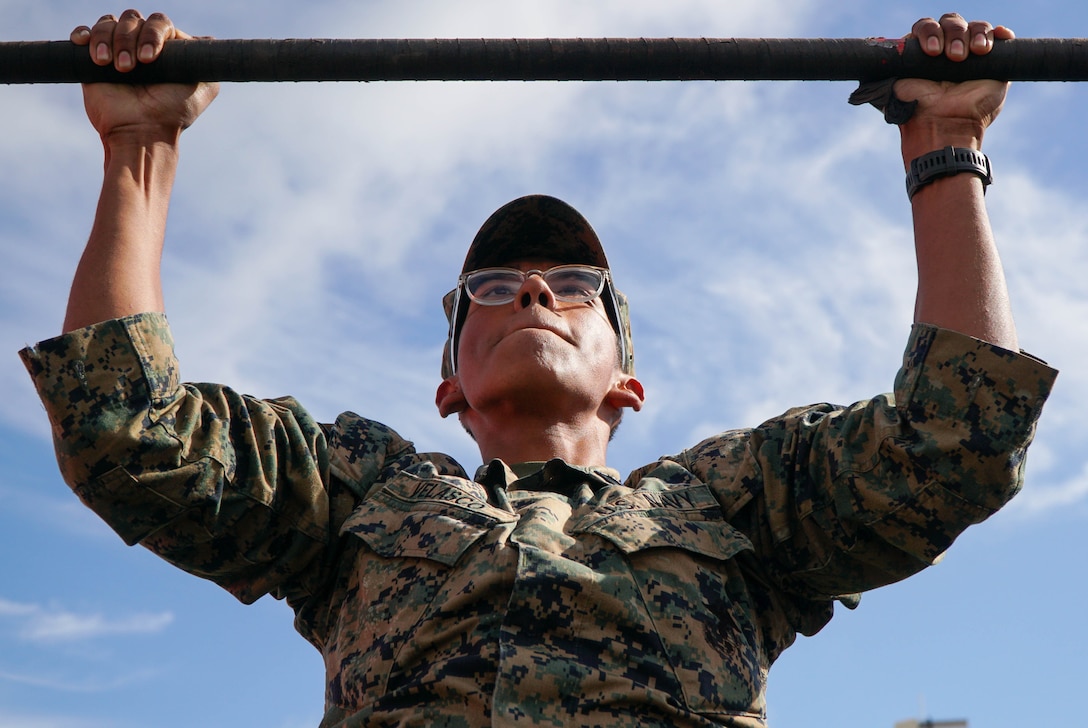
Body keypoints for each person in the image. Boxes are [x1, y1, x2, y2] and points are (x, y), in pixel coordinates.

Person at [19, 9, 1057, 728]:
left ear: (625, 382)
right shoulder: (359, 491)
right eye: (489, 286)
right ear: (450, 388)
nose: (528, 291)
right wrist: (140, 151)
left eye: (570, 281)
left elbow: (950, 440)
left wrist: (945, 143)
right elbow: (127, 432)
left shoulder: (737, 499)